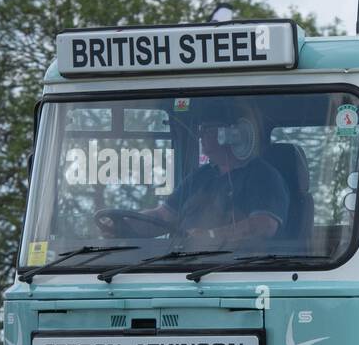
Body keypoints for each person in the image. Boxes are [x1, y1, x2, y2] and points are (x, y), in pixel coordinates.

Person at [98, 98, 288, 248]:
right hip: (185, 266)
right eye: (200, 130)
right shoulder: (202, 176)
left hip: (237, 271)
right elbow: (164, 216)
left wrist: (211, 237)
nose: (200, 136)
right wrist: (125, 224)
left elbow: (264, 225)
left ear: (233, 133)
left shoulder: (263, 176)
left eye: (206, 130)